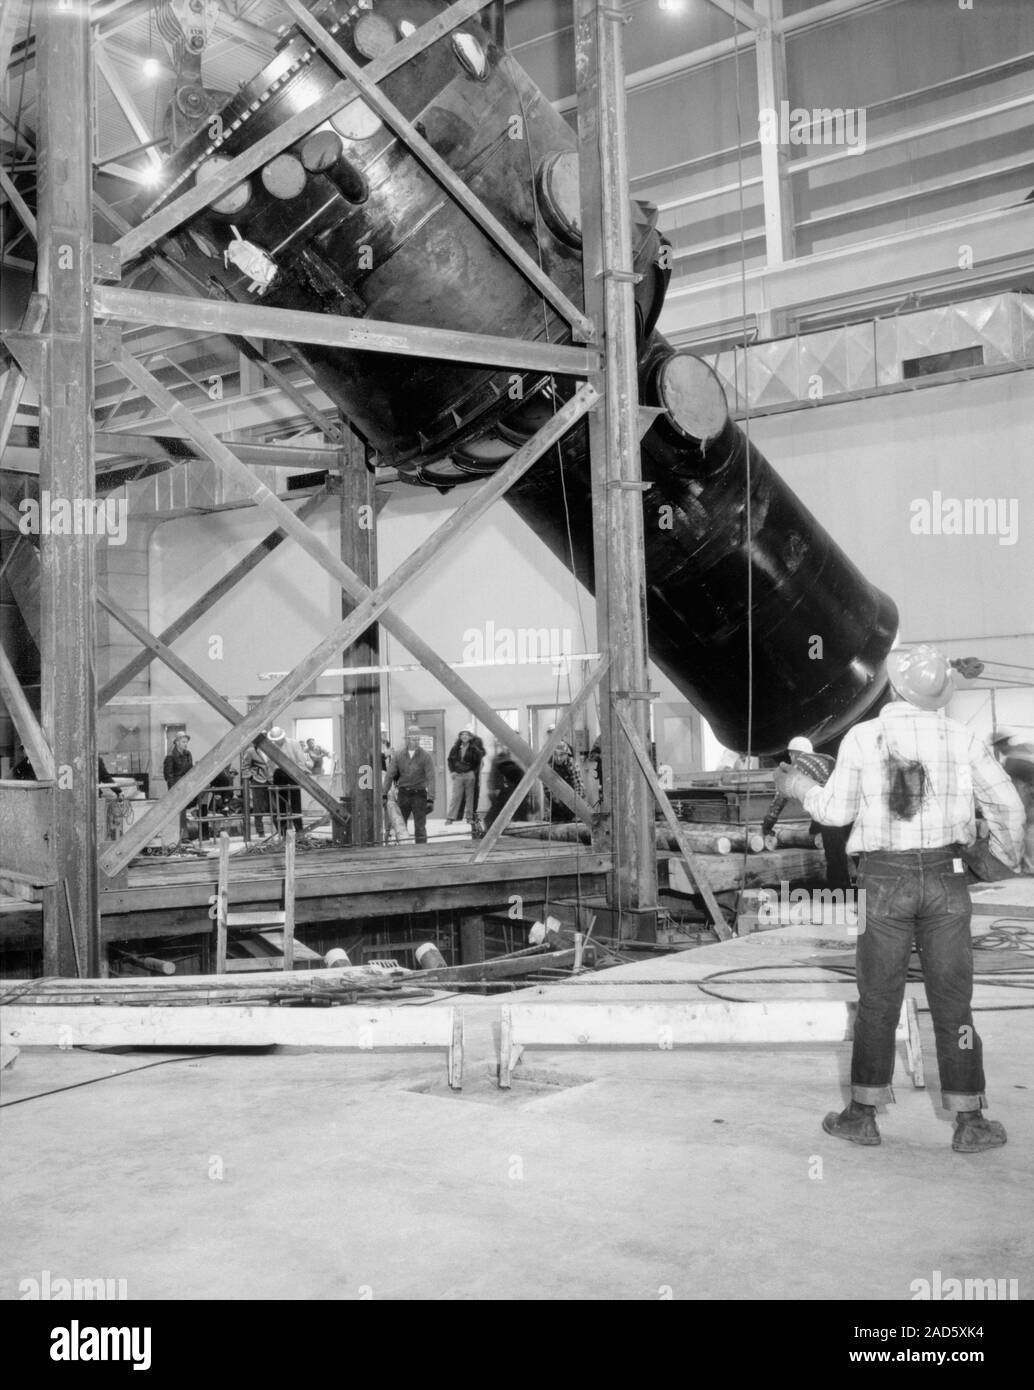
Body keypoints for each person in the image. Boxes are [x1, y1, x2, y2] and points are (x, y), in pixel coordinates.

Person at [775, 643, 1025, 1154]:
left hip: (883, 883)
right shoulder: (963, 736)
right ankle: (971, 1120)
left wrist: (798, 784)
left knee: (877, 1001)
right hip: (946, 876)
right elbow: (1009, 807)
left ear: (890, 687)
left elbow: (834, 811)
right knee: (954, 1004)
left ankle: (862, 1115)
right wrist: (991, 863)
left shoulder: (863, 738)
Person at [762, 736, 852, 891]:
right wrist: (814, 828)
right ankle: (857, 886)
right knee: (850, 849)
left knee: (833, 852)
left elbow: (780, 799)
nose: (790, 758)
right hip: (848, 805)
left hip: (830, 809)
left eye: (790, 754)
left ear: (794, 753)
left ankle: (840, 891)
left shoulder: (797, 765)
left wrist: (767, 825)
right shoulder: (828, 759)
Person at [382, 725, 436, 845]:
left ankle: (421, 853)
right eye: (413, 739)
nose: (415, 741)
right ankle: (403, 851)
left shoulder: (426, 757)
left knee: (420, 827)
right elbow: (390, 775)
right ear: (407, 739)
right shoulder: (398, 755)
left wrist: (431, 798)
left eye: (417, 739)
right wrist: (384, 793)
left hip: (419, 794)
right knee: (401, 826)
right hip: (403, 794)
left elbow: (431, 778)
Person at [266, 726, 307, 835]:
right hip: (278, 776)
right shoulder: (271, 747)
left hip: (293, 774)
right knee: (281, 806)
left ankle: (299, 830)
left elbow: (301, 760)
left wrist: (300, 775)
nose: (277, 741)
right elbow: (270, 764)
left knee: (295, 804)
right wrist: (270, 776)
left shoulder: (293, 744)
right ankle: (283, 832)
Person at [484, 743, 529, 829]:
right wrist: (494, 788)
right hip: (508, 789)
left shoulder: (513, 758)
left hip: (513, 788)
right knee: (502, 807)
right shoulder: (501, 760)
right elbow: (494, 775)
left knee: (508, 807)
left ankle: (492, 825)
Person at [445, 729, 484, 824]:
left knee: (470, 797)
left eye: (466, 735)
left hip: (469, 775)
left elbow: (478, 762)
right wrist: (452, 771)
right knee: (456, 796)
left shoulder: (474, 749)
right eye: (462, 735)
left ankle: (469, 817)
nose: (464, 736)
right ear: (460, 737)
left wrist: (472, 771)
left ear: (470, 737)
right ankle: (450, 817)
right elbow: (450, 760)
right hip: (458, 775)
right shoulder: (455, 748)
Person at [545, 729, 584, 823]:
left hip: (573, 805)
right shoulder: (549, 766)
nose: (558, 758)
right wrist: (556, 800)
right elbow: (546, 787)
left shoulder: (572, 765)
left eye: (562, 755)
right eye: (555, 755)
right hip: (556, 806)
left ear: (567, 755)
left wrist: (576, 807)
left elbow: (579, 786)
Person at [242, 740, 272, 838]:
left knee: (275, 806)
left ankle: (281, 830)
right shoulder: (251, 751)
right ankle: (260, 831)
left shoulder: (271, 750)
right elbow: (245, 766)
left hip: (271, 780)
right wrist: (252, 777)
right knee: (258, 806)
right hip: (258, 781)